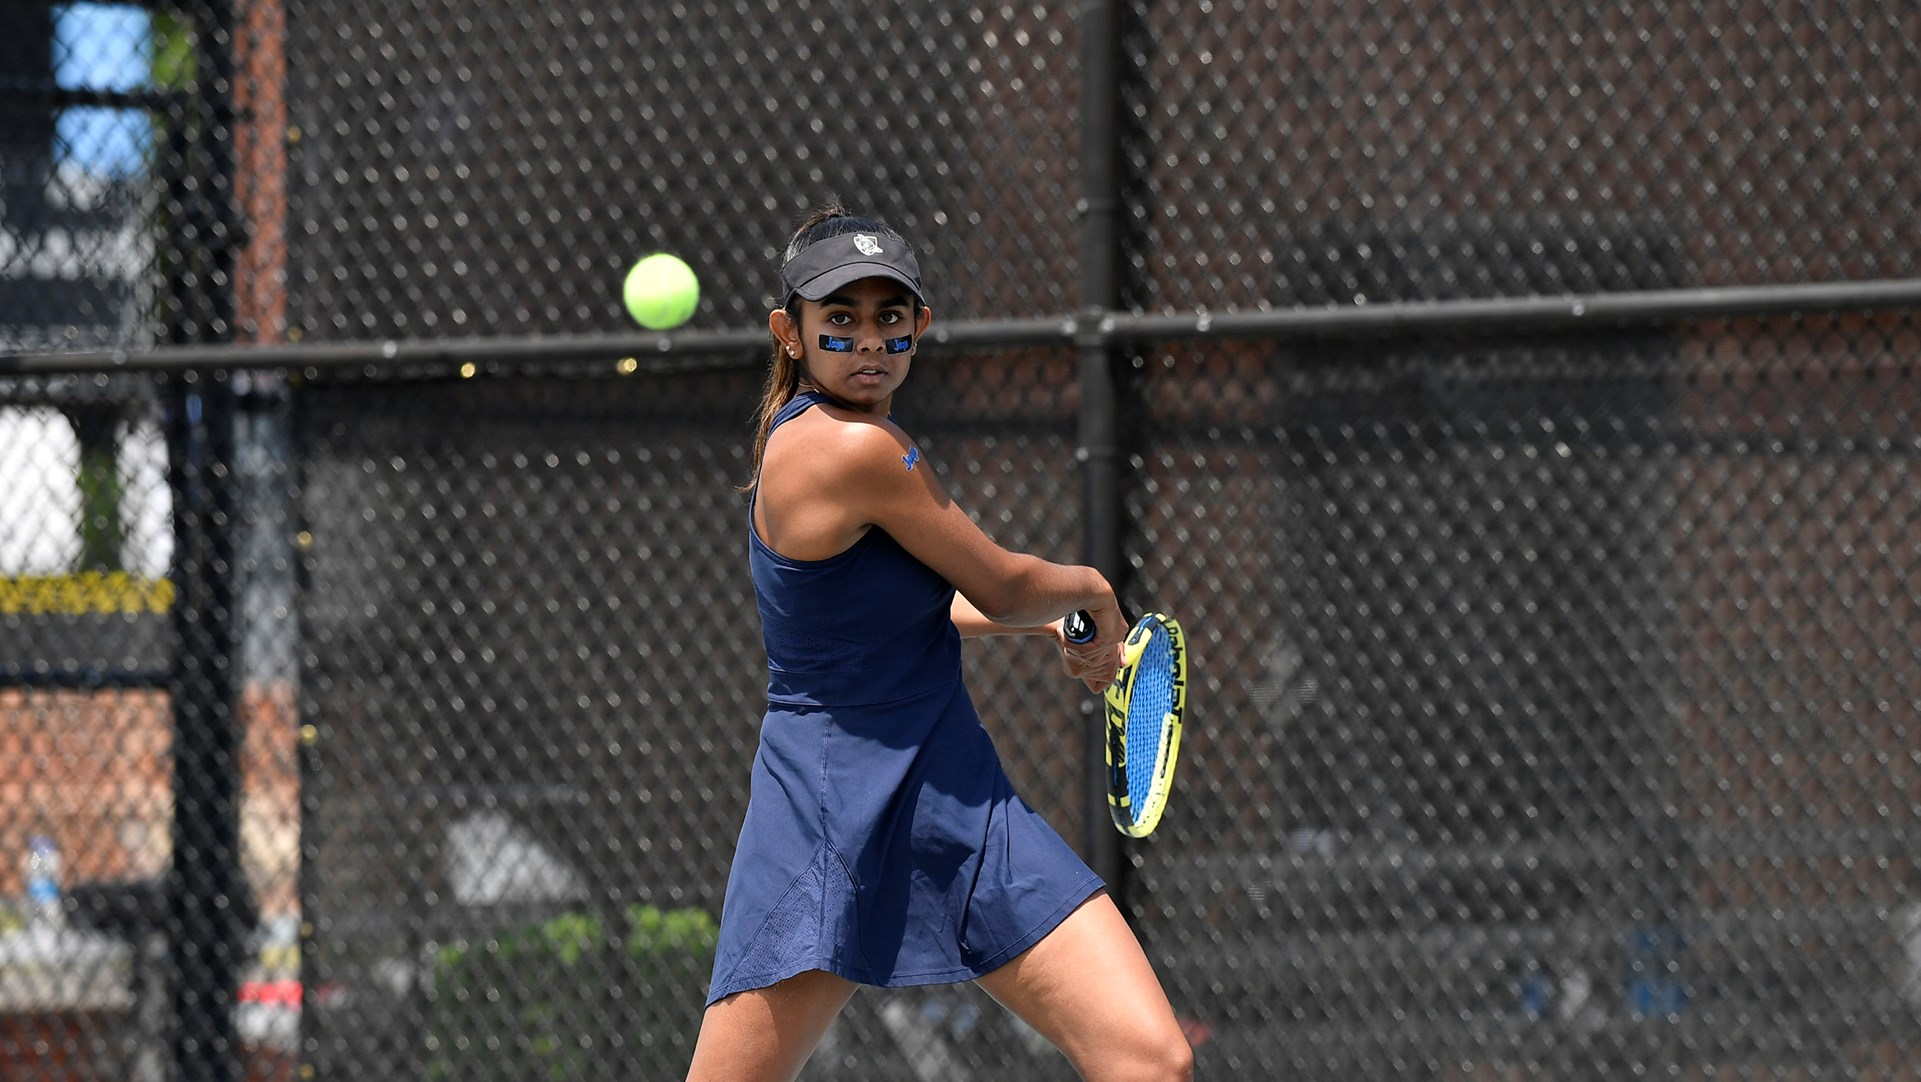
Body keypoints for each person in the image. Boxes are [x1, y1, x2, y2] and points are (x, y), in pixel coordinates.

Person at [685, 204, 1193, 1082]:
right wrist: (1090, 592)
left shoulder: (856, 445)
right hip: (828, 810)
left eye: (890, 319)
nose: (868, 341)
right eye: (838, 321)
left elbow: (920, 608)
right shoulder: (848, 449)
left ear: (920, 325)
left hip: (960, 798)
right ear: (789, 334)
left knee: (1151, 1060)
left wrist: (1045, 623)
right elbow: (998, 582)